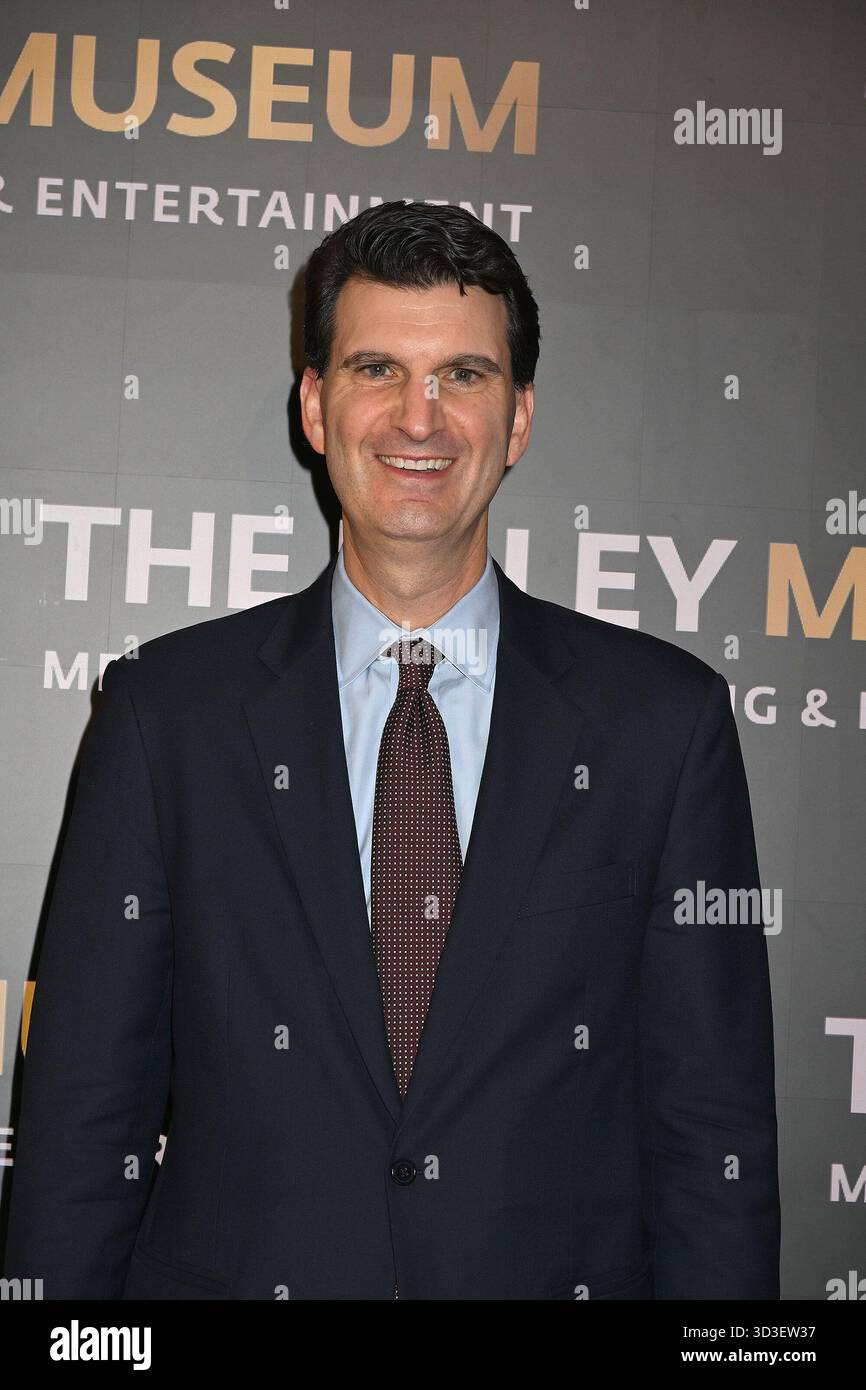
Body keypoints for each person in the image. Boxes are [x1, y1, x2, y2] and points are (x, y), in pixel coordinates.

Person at [3, 200, 780, 1300]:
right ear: (315, 407)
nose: (419, 419)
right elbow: (81, 1123)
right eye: (377, 369)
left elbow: (712, 1137)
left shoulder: (664, 725)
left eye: (462, 376)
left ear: (516, 420)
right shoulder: (161, 716)